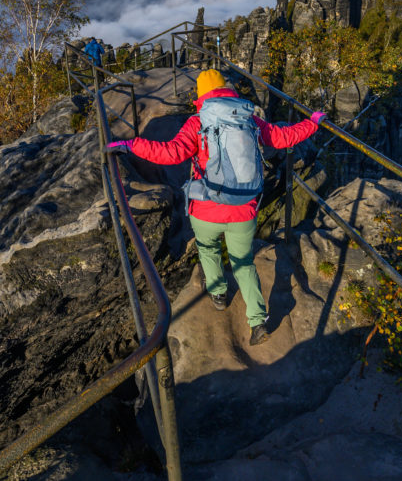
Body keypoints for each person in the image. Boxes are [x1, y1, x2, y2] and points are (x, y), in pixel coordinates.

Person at [108, 69, 325, 345]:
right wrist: (313, 123)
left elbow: (170, 153)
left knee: (208, 249)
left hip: (206, 209)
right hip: (243, 209)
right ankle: (258, 321)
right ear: (227, 90)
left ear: (201, 97)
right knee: (244, 263)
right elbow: (284, 137)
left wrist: (130, 145)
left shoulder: (197, 122)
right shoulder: (250, 119)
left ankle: (218, 294)